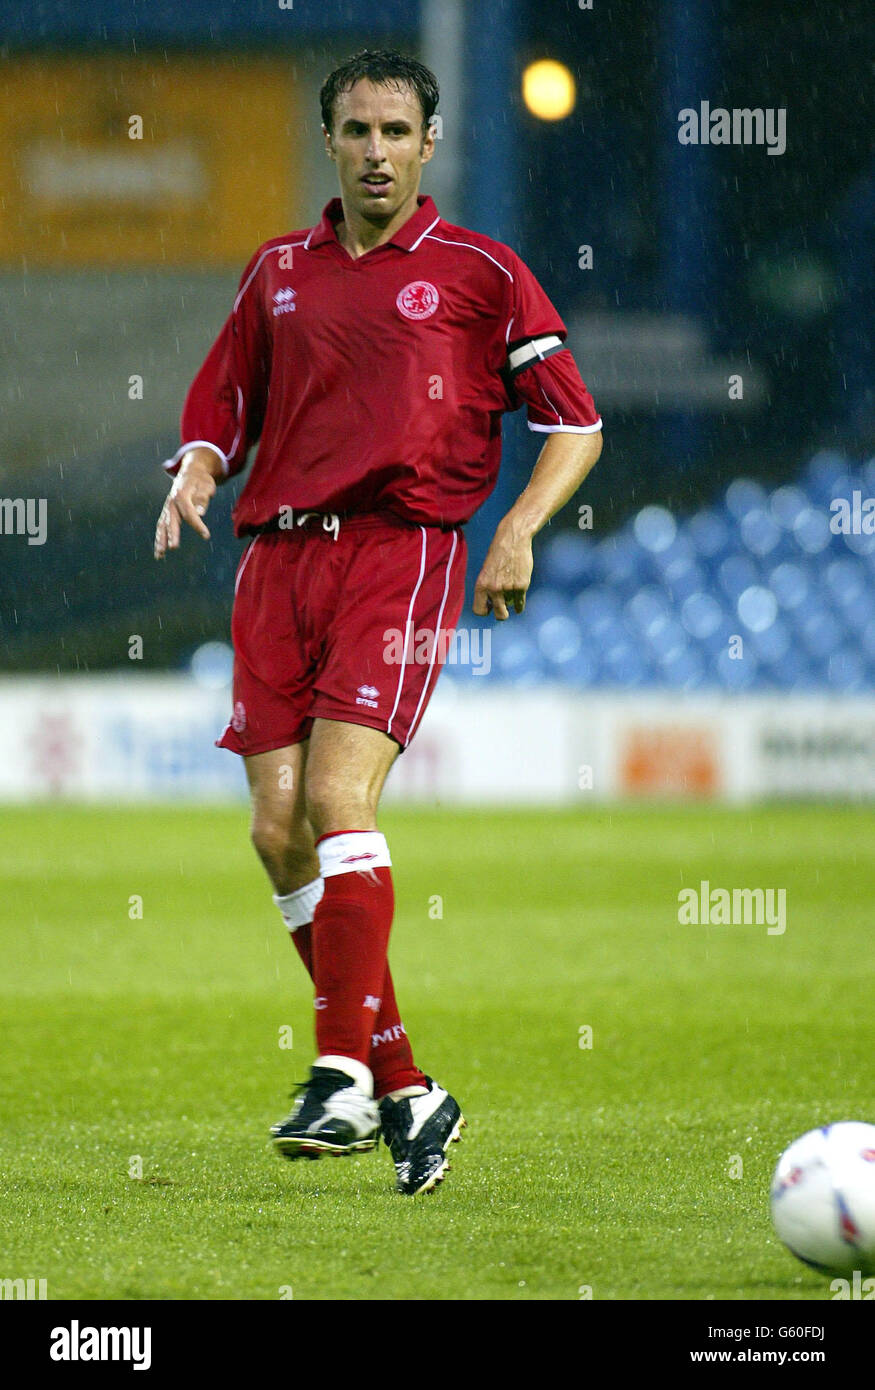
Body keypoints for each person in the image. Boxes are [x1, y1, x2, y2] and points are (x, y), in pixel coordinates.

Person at [153, 49, 602, 1196]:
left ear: (427, 143)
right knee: (276, 832)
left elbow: (575, 425)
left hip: (398, 555)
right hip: (275, 564)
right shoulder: (276, 272)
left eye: (395, 132)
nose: (374, 152)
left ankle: (340, 1068)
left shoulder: (477, 274)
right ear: (330, 142)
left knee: (338, 801)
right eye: (355, 131)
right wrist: (198, 465)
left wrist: (518, 529)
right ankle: (406, 1086)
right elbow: (225, 398)